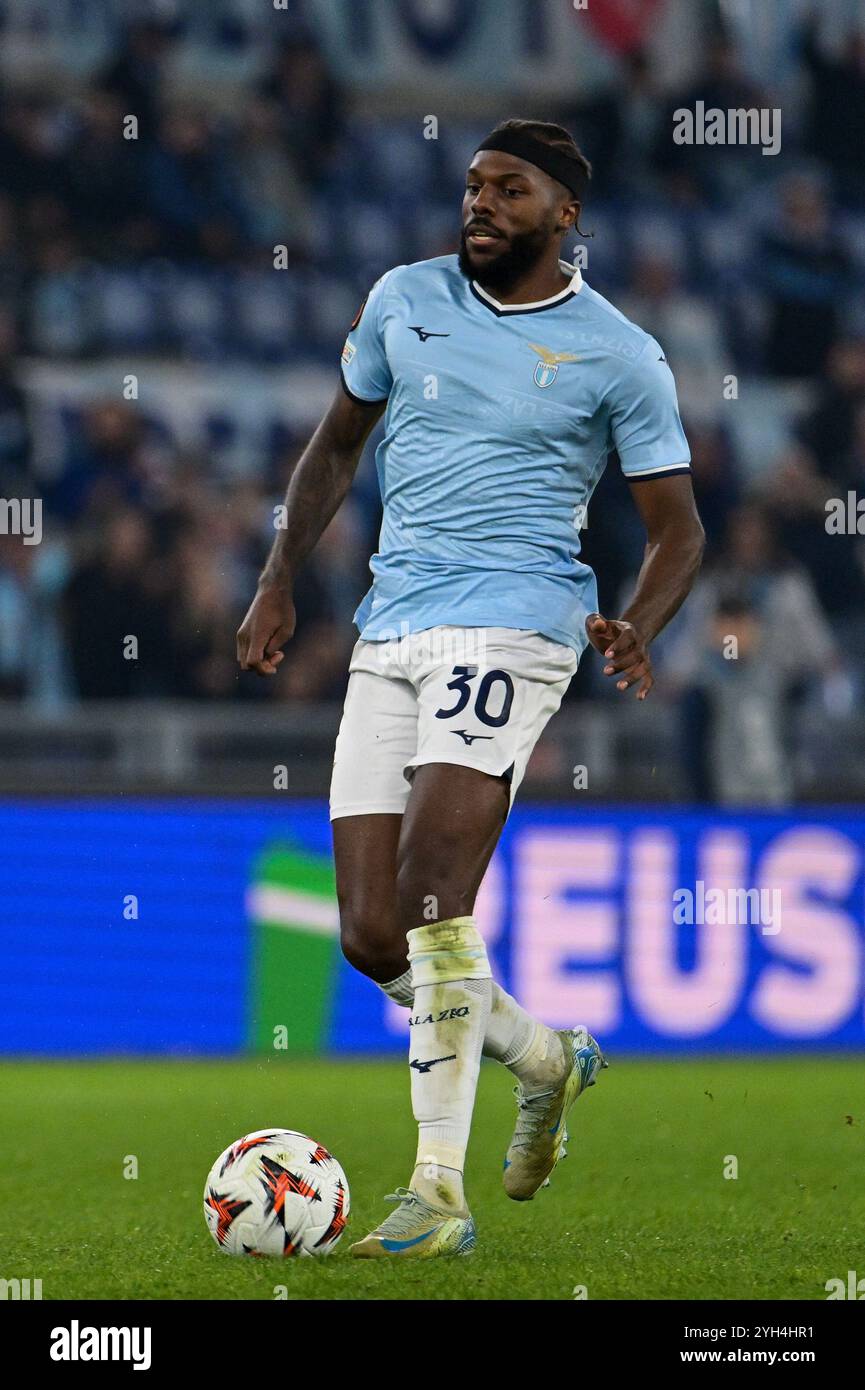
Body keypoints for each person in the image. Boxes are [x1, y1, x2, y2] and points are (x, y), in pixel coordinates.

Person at [236, 119, 705, 1259]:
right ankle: (545, 1060)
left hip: (519, 624)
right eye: (471, 186)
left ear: (565, 212)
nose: (480, 204)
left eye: (508, 188)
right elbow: (336, 445)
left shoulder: (618, 352)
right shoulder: (403, 298)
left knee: (437, 891)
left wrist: (636, 625)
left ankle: (436, 1192)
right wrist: (277, 575)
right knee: (366, 931)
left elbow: (678, 526)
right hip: (390, 625)